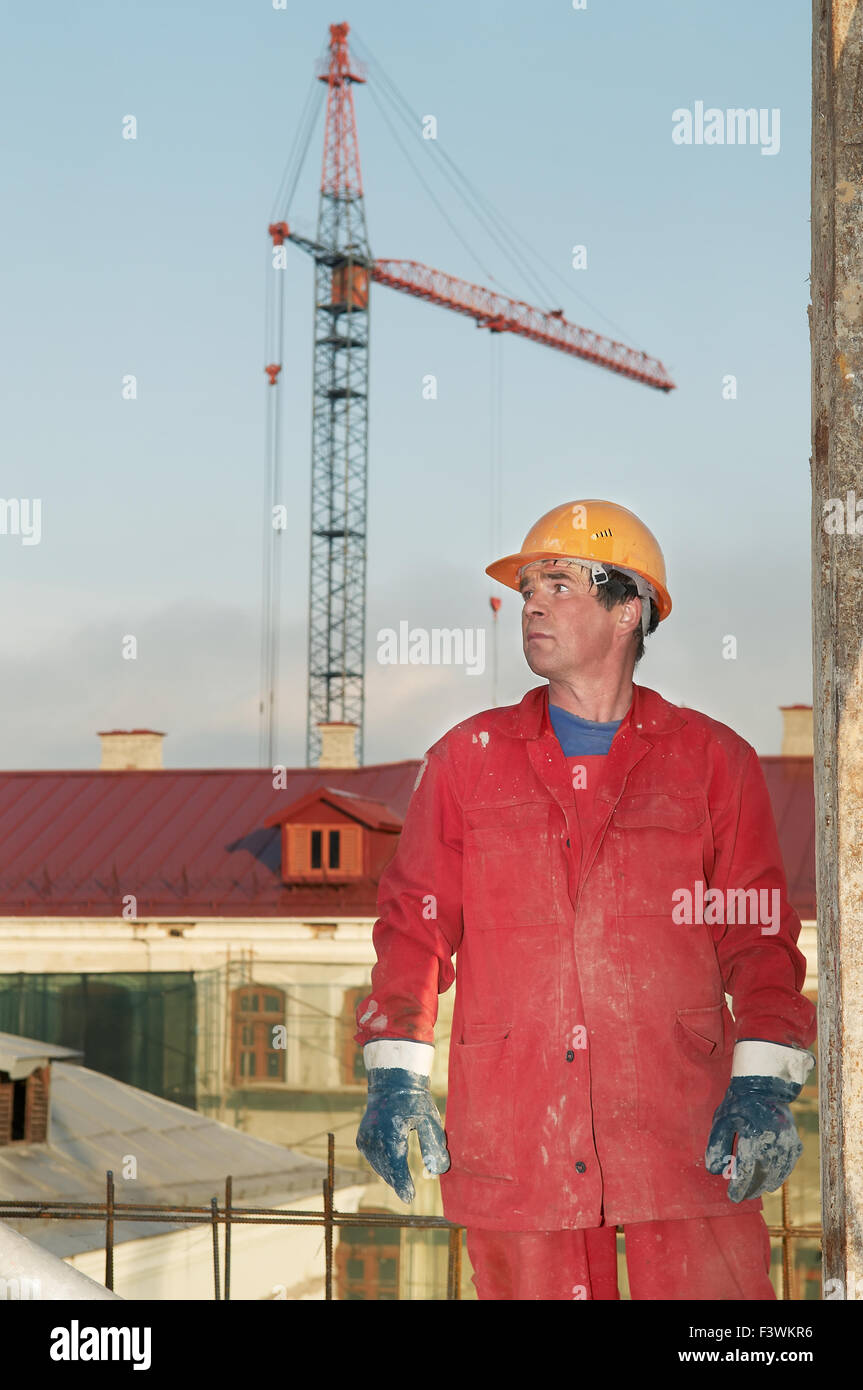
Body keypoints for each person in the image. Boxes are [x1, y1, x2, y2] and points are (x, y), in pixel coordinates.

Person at [354, 499, 816, 1301]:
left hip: (685, 1133)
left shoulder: (713, 762)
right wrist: (395, 1076)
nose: (529, 602)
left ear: (627, 608)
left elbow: (758, 939)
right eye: (527, 586)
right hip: (519, 1136)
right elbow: (413, 928)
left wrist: (763, 1082)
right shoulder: (467, 759)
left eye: (558, 584)